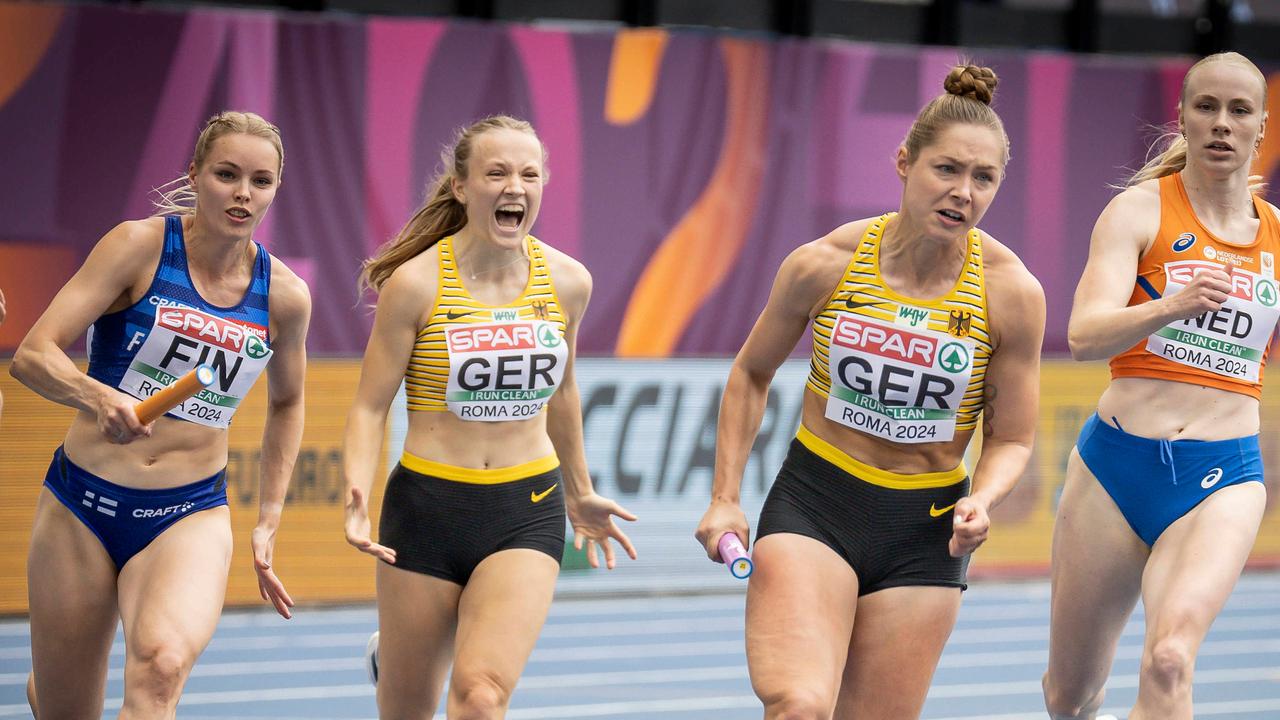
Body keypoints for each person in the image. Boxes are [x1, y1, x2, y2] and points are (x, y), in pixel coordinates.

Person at [695, 64, 1046, 719]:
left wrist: (983, 499)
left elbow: (1014, 438)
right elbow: (750, 373)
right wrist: (725, 498)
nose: (963, 192)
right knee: (798, 704)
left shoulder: (1012, 294)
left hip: (927, 530)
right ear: (904, 162)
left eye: (984, 178)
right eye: (947, 169)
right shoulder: (824, 263)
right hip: (817, 503)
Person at [11, 111, 310, 719]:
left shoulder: (284, 296)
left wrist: (268, 519)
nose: (243, 193)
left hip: (187, 513)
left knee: (161, 667)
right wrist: (98, 397)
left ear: (276, 188)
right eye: (227, 175)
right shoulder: (138, 247)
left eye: (260, 181)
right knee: (68, 709)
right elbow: (32, 355)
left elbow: (287, 402)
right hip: (82, 505)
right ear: (195, 175)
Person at [342, 115, 637, 719]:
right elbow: (371, 405)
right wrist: (355, 492)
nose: (514, 187)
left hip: (524, 506)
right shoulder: (416, 284)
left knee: (480, 696)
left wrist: (580, 492)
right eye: (496, 173)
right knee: (407, 710)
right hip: (427, 509)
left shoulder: (568, 282)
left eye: (529, 175)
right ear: (461, 186)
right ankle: (392, 662)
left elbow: (562, 392)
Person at [1042, 52, 1274, 720]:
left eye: (1239, 110)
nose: (1222, 123)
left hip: (1222, 475)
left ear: (1261, 126)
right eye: (1207, 107)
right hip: (1115, 468)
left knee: (1170, 659)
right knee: (1069, 695)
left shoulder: (1277, 236)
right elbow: (1085, 336)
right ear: (1182, 116)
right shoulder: (1137, 212)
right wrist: (1172, 305)